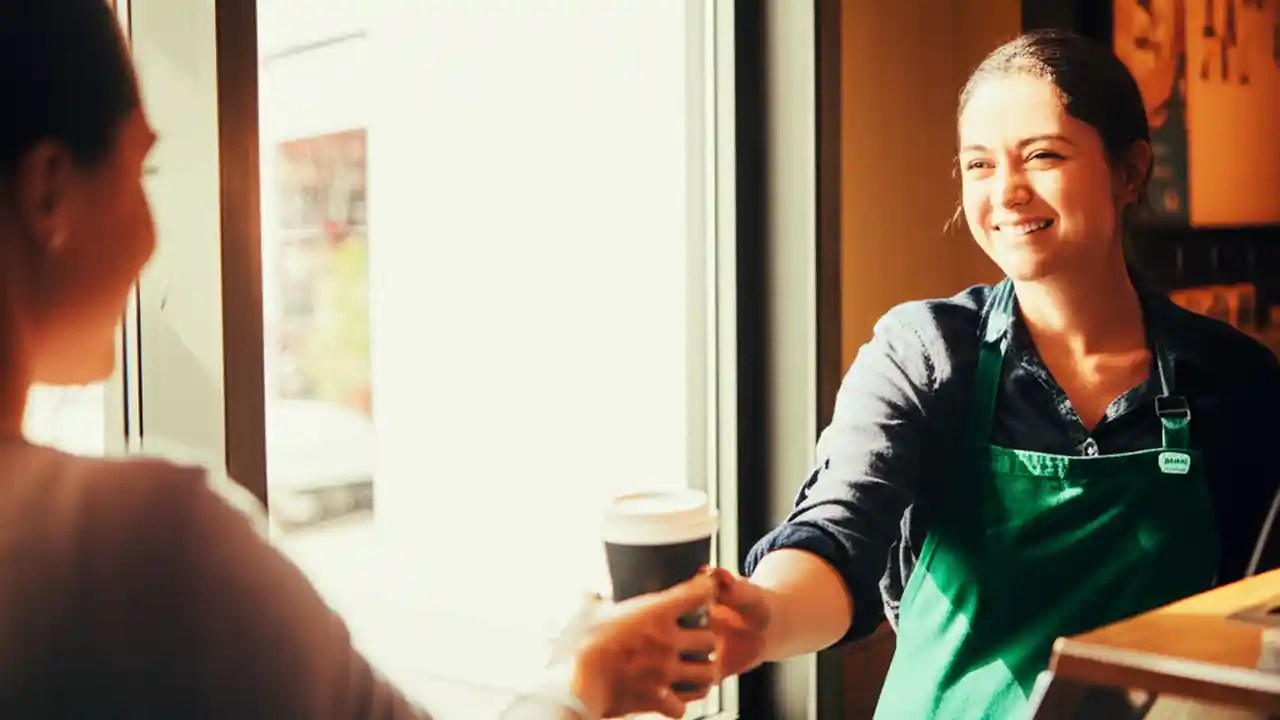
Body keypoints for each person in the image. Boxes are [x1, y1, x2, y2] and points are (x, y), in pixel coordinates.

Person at [0, 1, 718, 718]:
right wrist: (585, 682)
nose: (153, 238)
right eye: (142, 170)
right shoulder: (140, 547)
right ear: (49, 189)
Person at [711, 29, 1280, 719]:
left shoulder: (1232, 377)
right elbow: (837, 537)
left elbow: (1255, 609)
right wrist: (759, 617)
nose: (1007, 192)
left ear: (1130, 172)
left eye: (1041, 155)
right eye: (979, 165)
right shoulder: (925, 352)